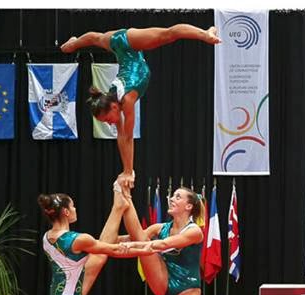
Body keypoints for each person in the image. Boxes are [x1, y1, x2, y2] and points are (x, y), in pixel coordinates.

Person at [61, 25, 221, 190]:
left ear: (114, 107)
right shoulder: (111, 101)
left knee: (168, 35)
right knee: (96, 38)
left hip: (128, 43)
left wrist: (129, 171)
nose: (109, 123)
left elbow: (128, 138)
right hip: (120, 49)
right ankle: (74, 43)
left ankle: (206, 34)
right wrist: (126, 170)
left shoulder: (127, 100)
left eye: (107, 120)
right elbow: (121, 137)